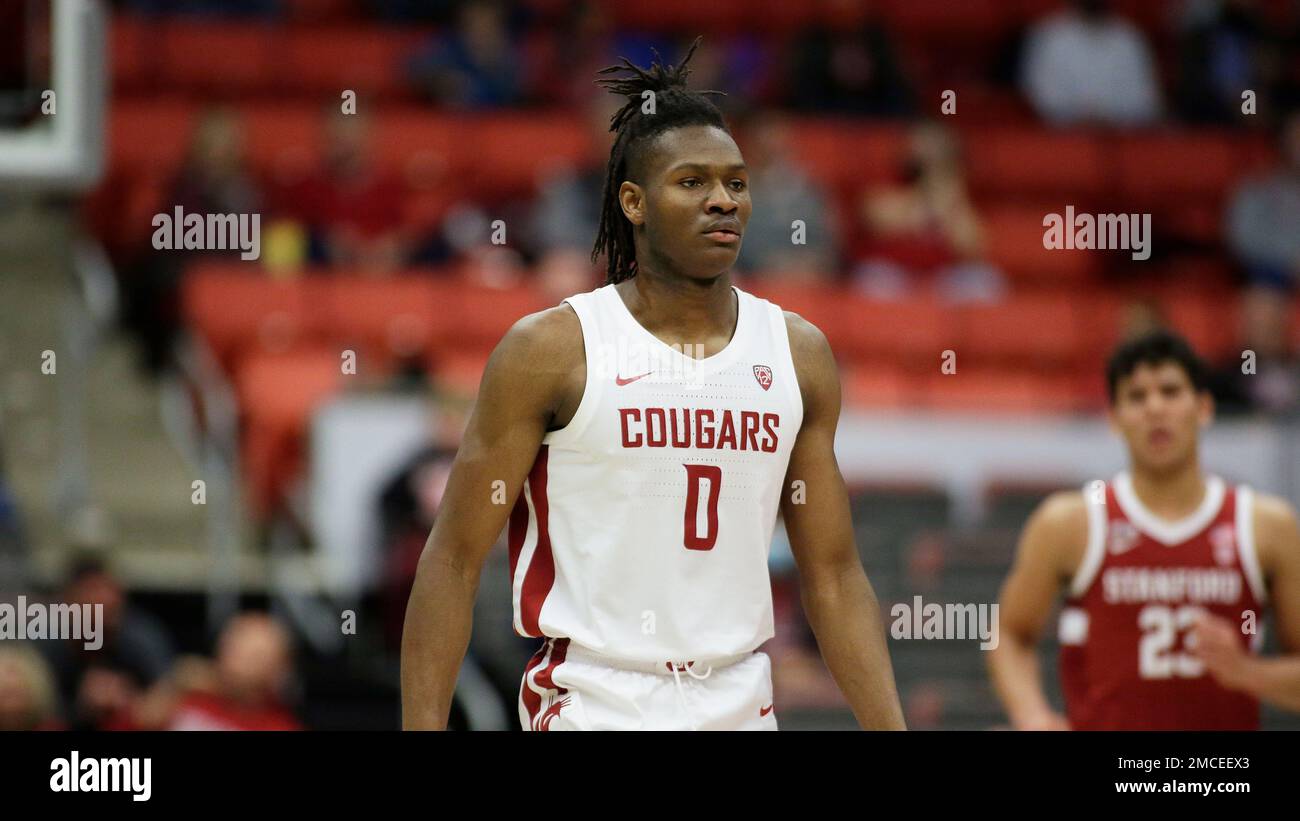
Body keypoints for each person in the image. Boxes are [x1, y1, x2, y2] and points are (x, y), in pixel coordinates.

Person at [401, 39, 905, 731]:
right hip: (595, 698)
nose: (723, 200)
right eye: (693, 182)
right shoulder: (552, 349)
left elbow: (835, 576)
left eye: (735, 182)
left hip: (740, 698)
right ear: (633, 201)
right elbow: (452, 559)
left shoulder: (797, 352)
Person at [988, 331, 1300, 729]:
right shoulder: (1072, 521)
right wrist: (1031, 714)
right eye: (1136, 397)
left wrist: (1246, 672)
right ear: (1115, 420)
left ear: (1203, 408)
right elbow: (1009, 634)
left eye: (1170, 392)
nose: (1155, 408)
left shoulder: (1265, 525)